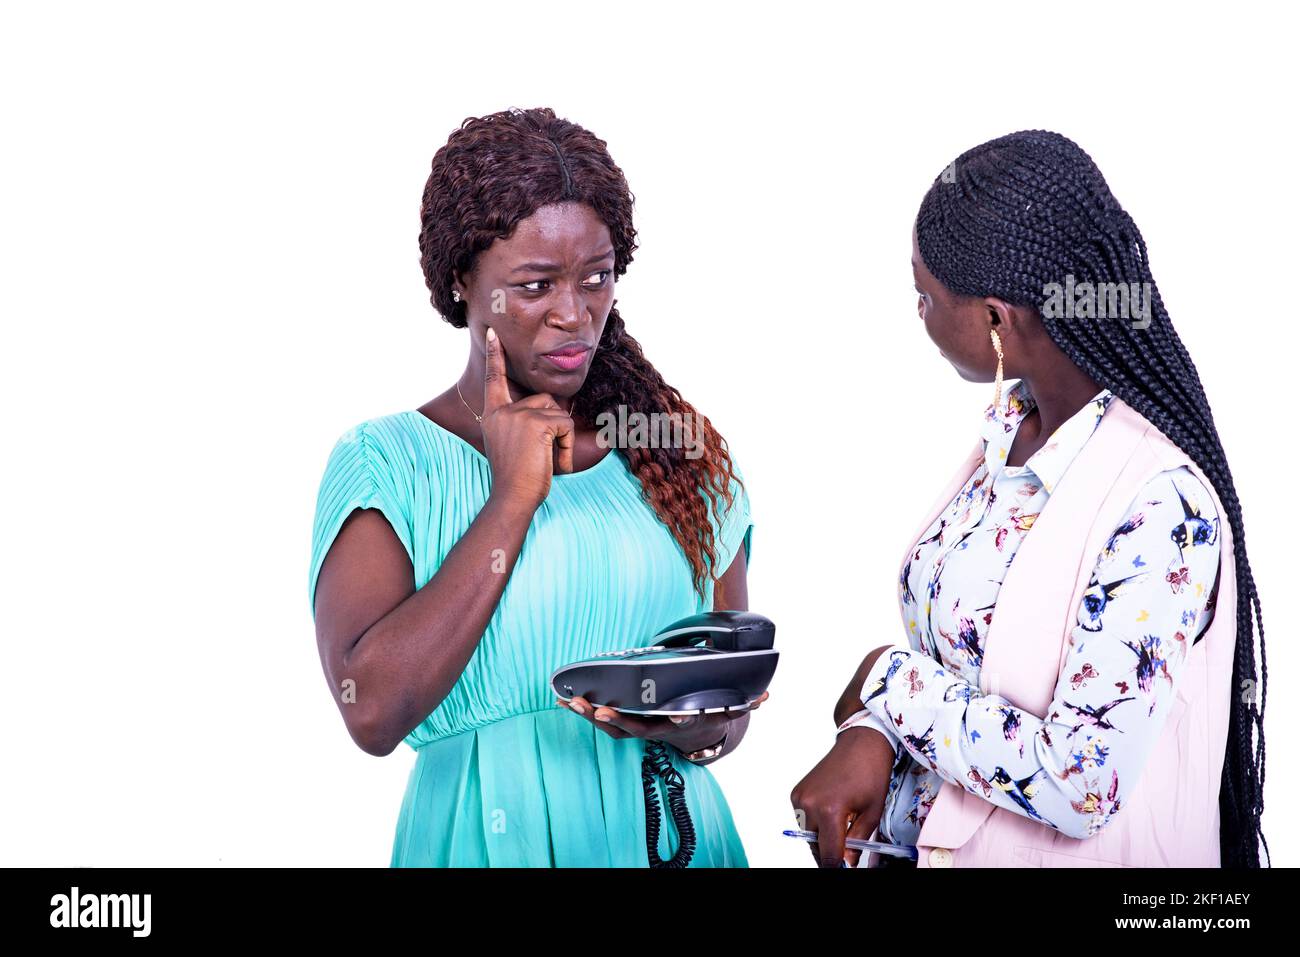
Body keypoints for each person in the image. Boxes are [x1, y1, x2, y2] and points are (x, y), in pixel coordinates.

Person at [791, 130, 1268, 869]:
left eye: (925, 295)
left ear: (994, 318)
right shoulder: (1013, 437)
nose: (917, 313)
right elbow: (962, 664)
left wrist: (884, 681)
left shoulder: (1160, 505)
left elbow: (1082, 779)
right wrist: (877, 730)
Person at [308, 107, 764, 867]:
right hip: (482, 841)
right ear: (462, 283)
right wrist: (512, 497)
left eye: (596, 278)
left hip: (672, 839)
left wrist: (696, 727)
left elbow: (726, 698)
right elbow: (373, 710)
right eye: (534, 285)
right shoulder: (384, 462)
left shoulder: (675, 451)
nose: (574, 313)